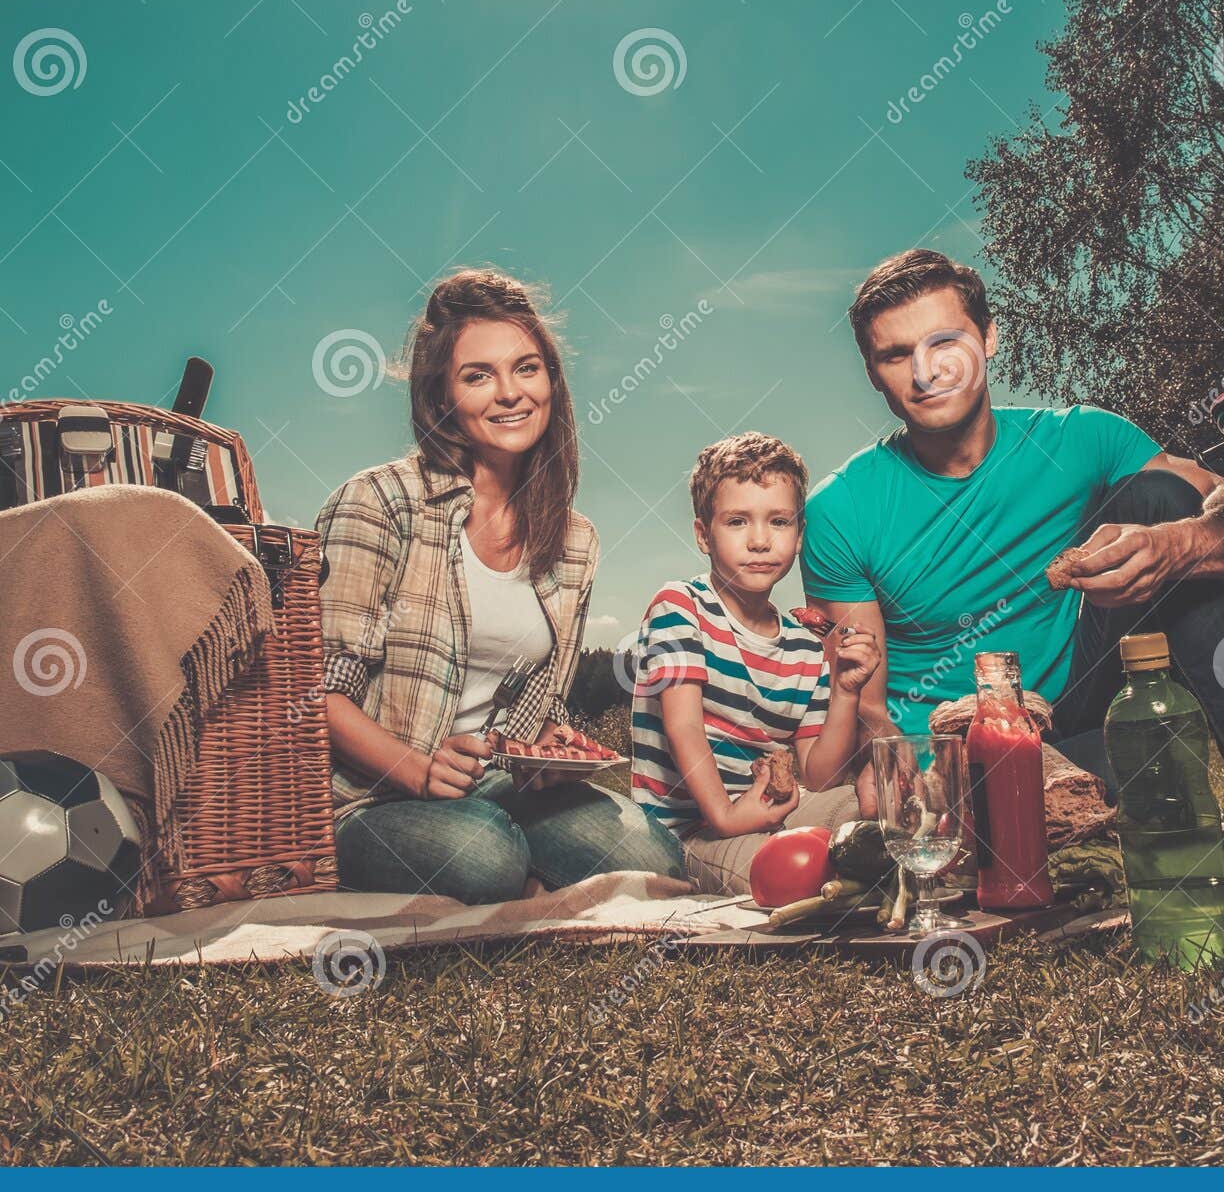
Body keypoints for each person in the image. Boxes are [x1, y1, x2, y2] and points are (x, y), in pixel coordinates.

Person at [799, 248, 1224, 804]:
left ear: (988, 338)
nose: (926, 372)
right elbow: (865, 702)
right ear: (873, 373)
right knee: (1115, 793)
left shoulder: (1084, 438)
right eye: (897, 355)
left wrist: (1178, 546)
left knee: (1161, 498)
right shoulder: (840, 508)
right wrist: (892, 763)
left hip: (1078, 706)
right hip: (957, 761)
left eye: (945, 342)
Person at [316, 267, 684, 903]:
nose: (510, 393)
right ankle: (522, 874)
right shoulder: (380, 501)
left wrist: (549, 746)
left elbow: (537, 699)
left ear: (551, 382)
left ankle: (525, 870)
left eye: (526, 368)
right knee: (486, 859)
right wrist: (418, 770)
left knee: (656, 856)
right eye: (478, 376)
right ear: (442, 398)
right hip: (372, 798)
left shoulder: (575, 541)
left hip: (499, 785)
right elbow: (318, 694)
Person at [628, 433, 881, 895]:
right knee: (791, 874)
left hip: (773, 813)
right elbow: (684, 727)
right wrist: (727, 816)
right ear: (703, 534)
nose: (760, 541)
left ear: (799, 535)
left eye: (779, 522)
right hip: (690, 832)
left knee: (870, 817)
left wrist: (846, 691)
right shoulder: (680, 607)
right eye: (738, 521)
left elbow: (820, 776)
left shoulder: (806, 647)